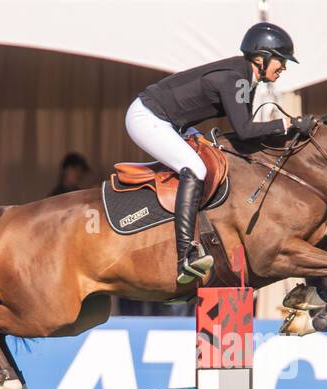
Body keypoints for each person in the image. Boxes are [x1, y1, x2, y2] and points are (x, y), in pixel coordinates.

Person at [126, 22, 316, 283]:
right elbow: (247, 130)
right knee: (196, 169)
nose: (283, 68)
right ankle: (185, 256)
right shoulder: (235, 78)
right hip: (147, 117)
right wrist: (288, 123)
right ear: (261, 59)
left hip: (174, 124)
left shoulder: (246, 79)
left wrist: (289, 133)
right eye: (281, 61)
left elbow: (244, 138)